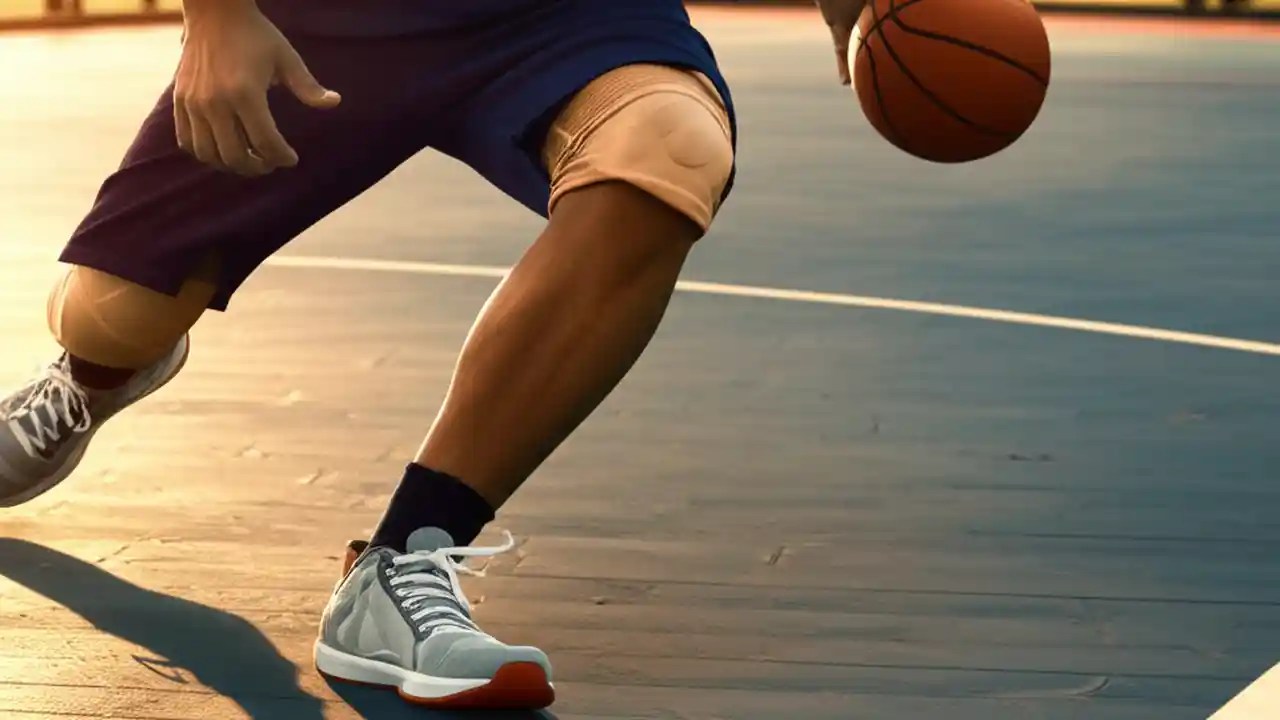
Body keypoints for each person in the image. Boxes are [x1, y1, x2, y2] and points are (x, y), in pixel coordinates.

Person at [0, 0, 867, 710]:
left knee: (669, 152)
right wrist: (216, 14)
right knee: (114, 315)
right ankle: (88, 378)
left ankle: (405, 559)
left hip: (567, 18)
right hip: (330, 18)